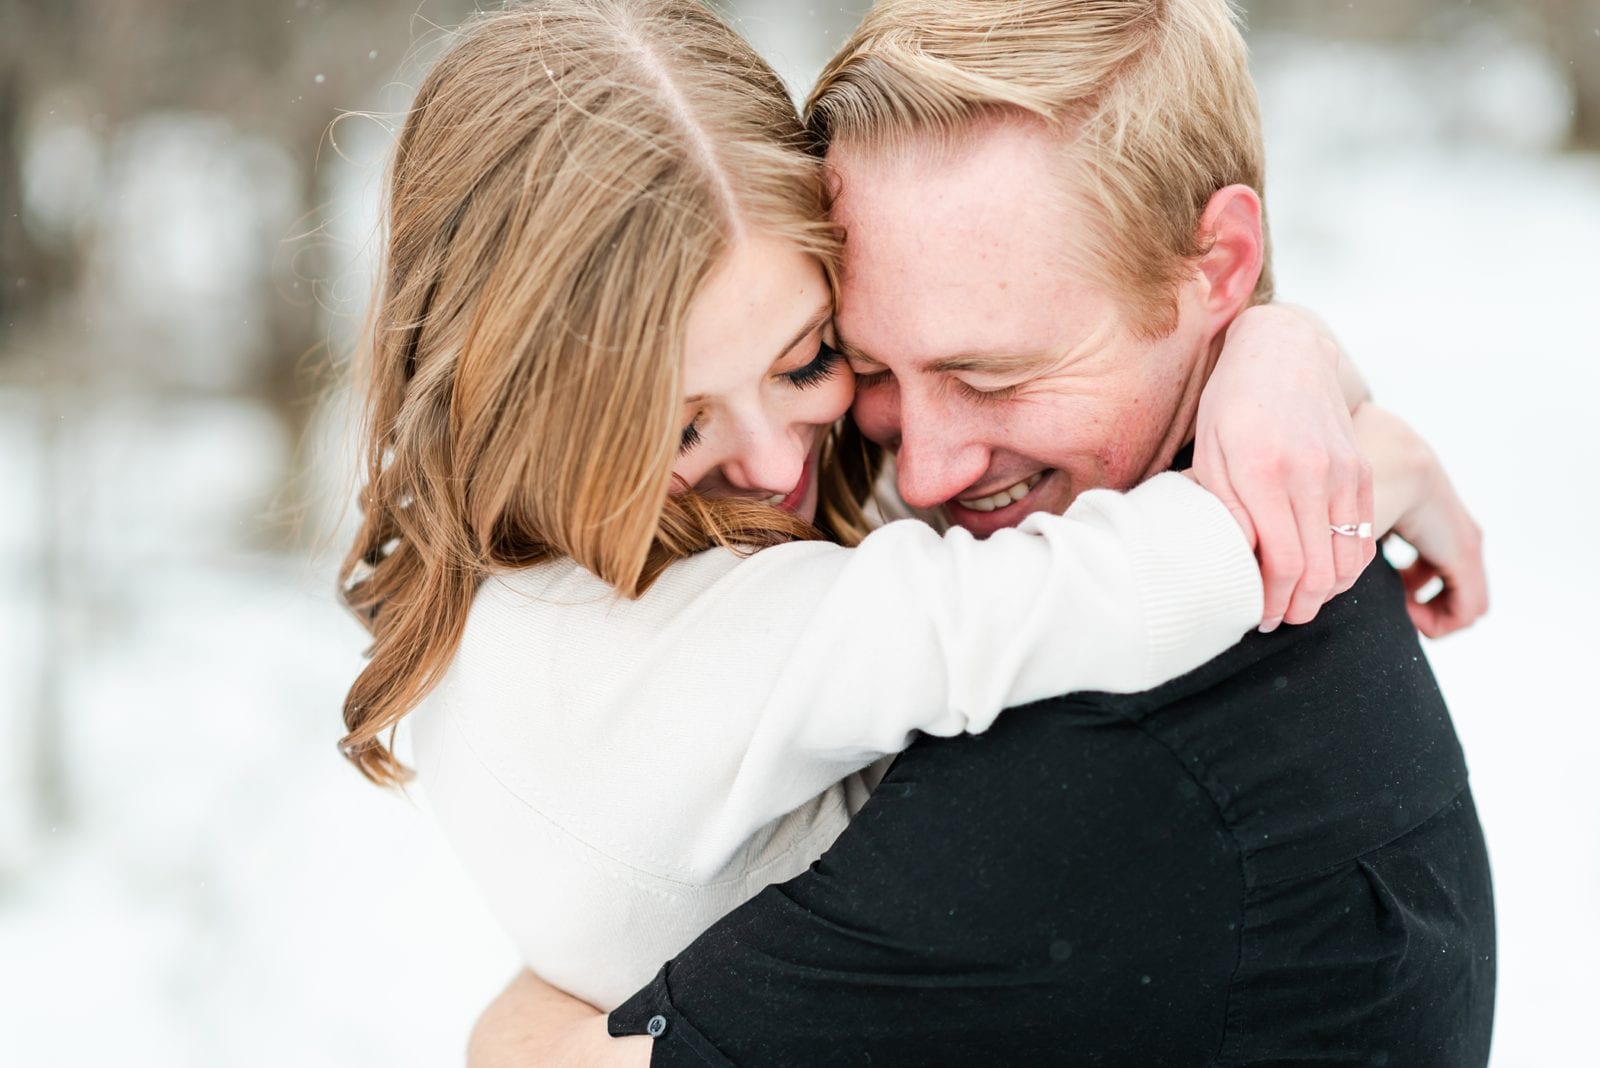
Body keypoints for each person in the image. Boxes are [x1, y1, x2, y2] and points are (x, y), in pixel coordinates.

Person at [469, 1, 1494, 1065]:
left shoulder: (1092, 776)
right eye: (863, 366)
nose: (920, 469)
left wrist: (526, 1012)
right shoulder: (1239, 567)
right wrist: (1296, 355)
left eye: (990, 376)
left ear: (1217, 263)